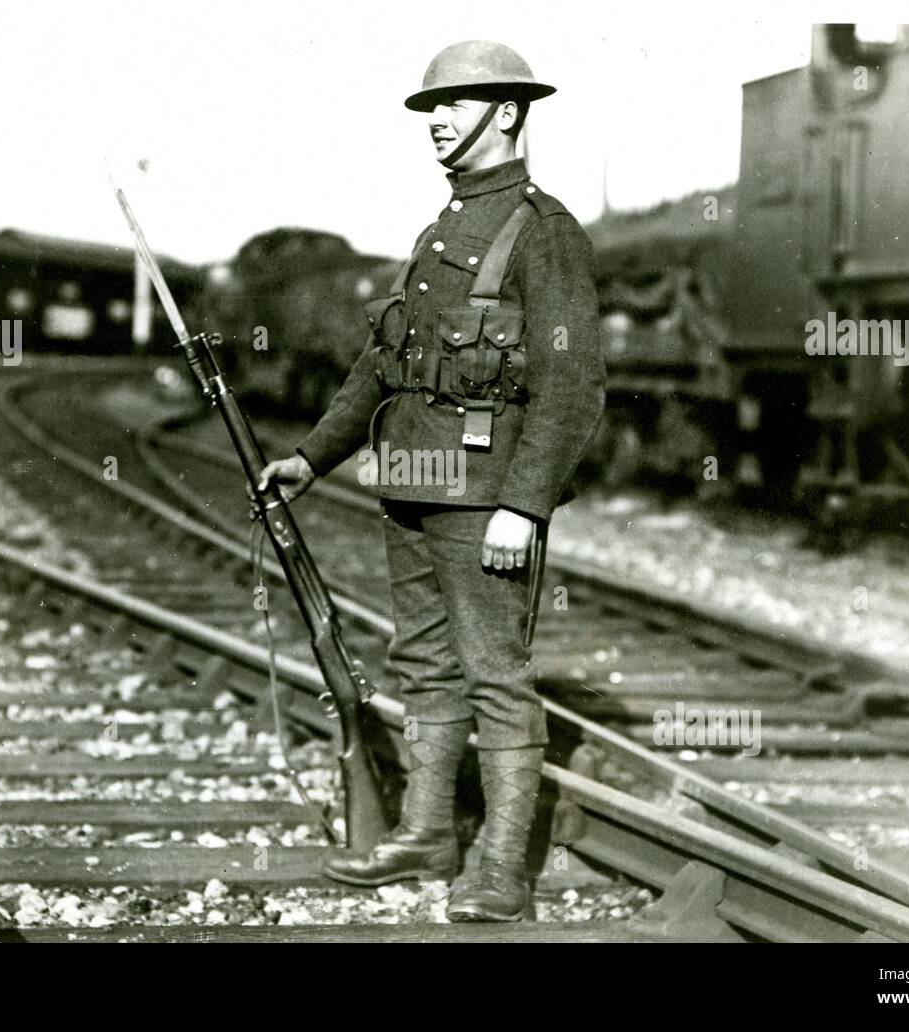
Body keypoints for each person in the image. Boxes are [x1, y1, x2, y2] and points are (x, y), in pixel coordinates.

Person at [257, 40, 605, 922]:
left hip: (486, 492)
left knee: (496, 671)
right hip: (413, 478)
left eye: (454, 106)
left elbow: (571, 385)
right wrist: (313, 455)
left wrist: (525, 506)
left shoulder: (544, 230)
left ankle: (500, 868)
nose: (437, 122)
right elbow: (384, 364)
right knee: (422, 662)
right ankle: (425, 833)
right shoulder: (441, 226)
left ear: (509, 115)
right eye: (431, 109)